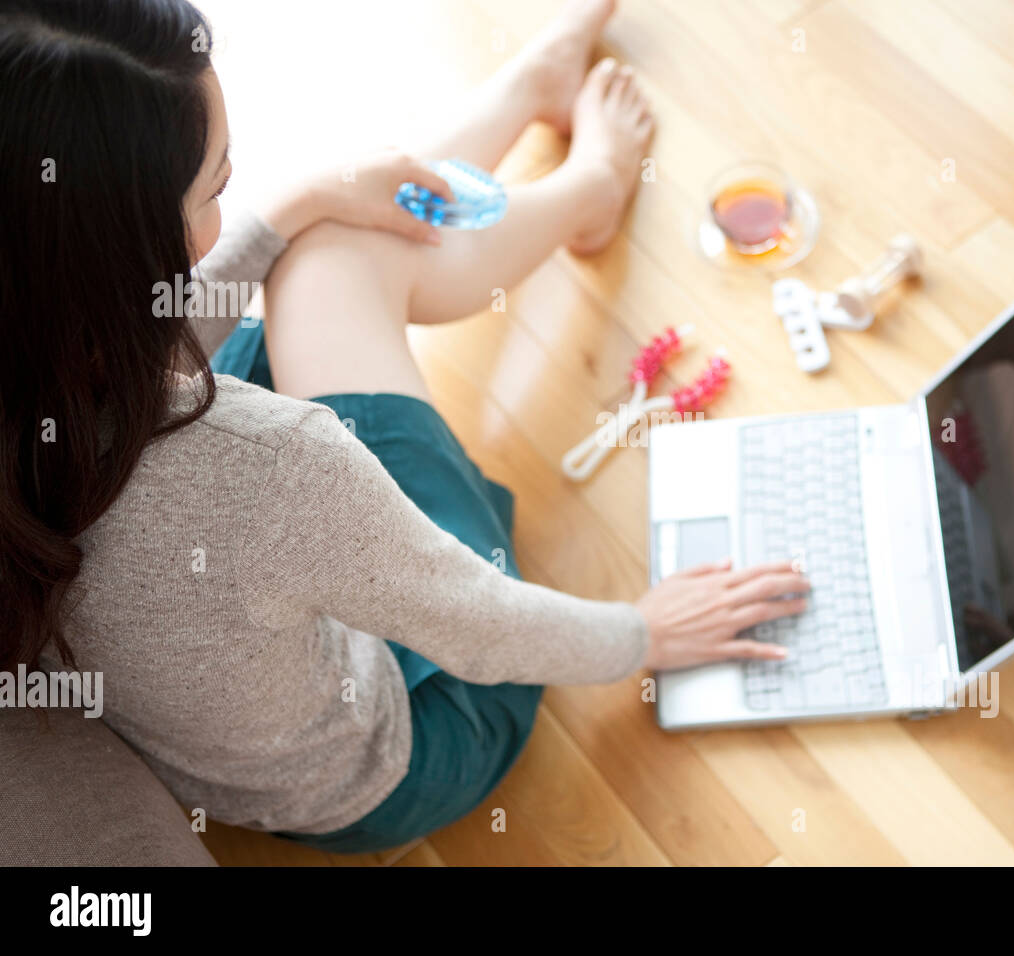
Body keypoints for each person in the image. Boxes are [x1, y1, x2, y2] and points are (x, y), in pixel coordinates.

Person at [0, 0, 809, 853]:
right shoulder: (263, 467)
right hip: (409, 743)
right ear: (122, 245)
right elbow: (478, 623)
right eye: (218, 187)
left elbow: (130, 360)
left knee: (318, 227)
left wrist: (288, 207)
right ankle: (591, 189)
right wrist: (646, 633)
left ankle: (531, 93)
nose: (229, 200)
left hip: (231, 743)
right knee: (335, 256)